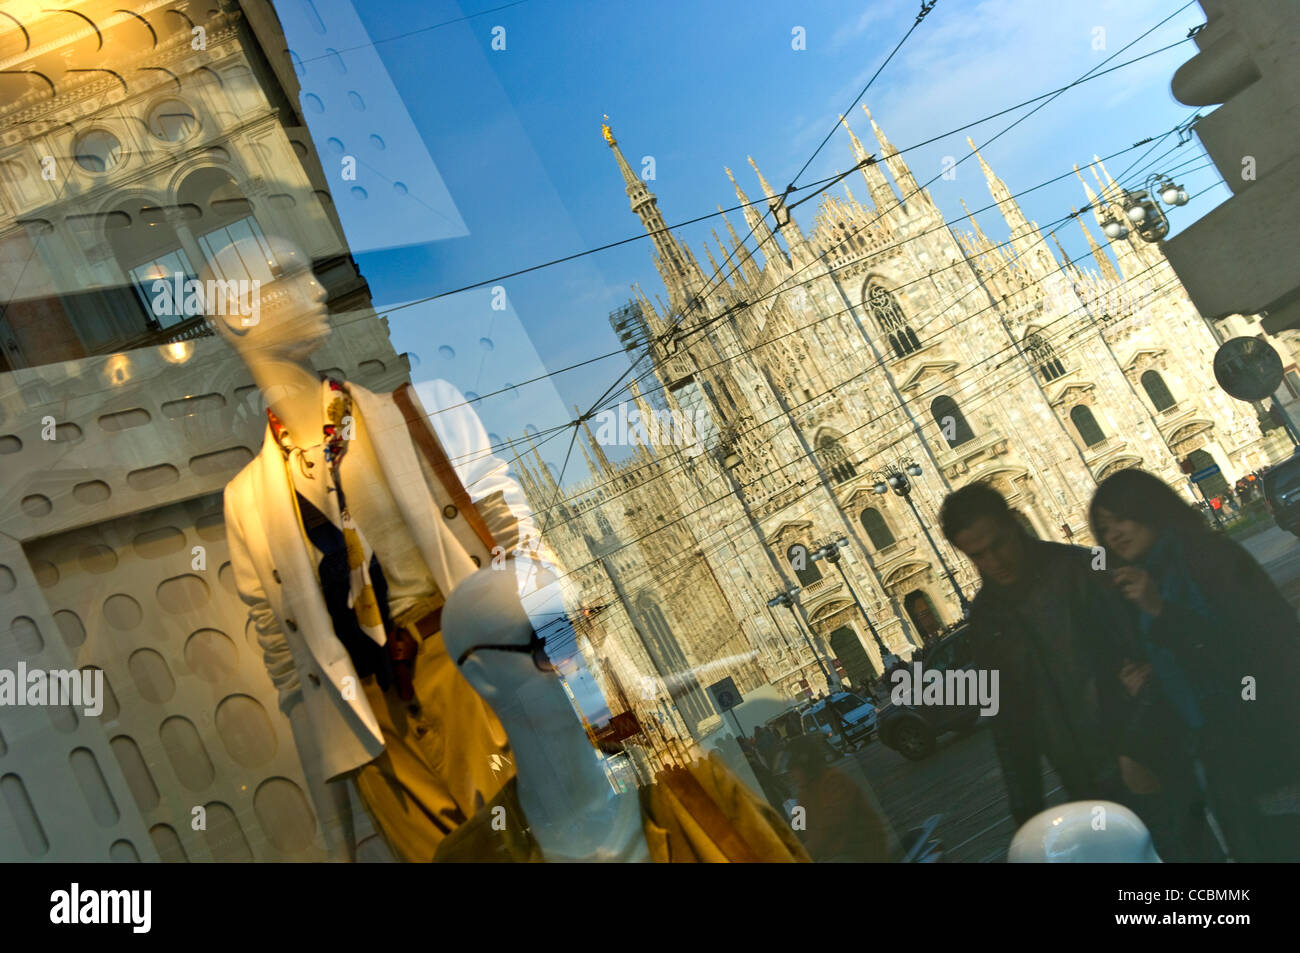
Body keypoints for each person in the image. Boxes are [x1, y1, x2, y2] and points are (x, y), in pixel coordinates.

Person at [213, 234, 553, 861]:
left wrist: (566, 663)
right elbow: (288, 669)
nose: (317, 290)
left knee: (541, 847)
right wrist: (333, 821)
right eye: (289, 276)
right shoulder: (246, 501)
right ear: (237, 310)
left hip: (465, 665)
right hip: (368, 726)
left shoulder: (420, 412)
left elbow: (512, 532)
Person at [938, 483, 1196, 853]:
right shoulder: (985, 619)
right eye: (978, 555)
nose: (995, 561)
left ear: (1014, 523)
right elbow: (1008, 726)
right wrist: (1026, 816)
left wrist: (1142, 733)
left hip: (1148, 759)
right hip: (1084, 784)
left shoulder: (1084, 567)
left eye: (999, 543)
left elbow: (1156, 652)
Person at [1091, 468, 1300, 861]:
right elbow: (1187, 660)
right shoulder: (1144, 579)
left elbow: (1254, 648)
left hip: (1271, 737)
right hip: (1220, 754)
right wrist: (1147, 676)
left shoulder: (1209, 557)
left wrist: (1161, 612)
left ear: (1149, 509)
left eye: (1121, 518)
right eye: (1104, 528)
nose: (1113, 535)